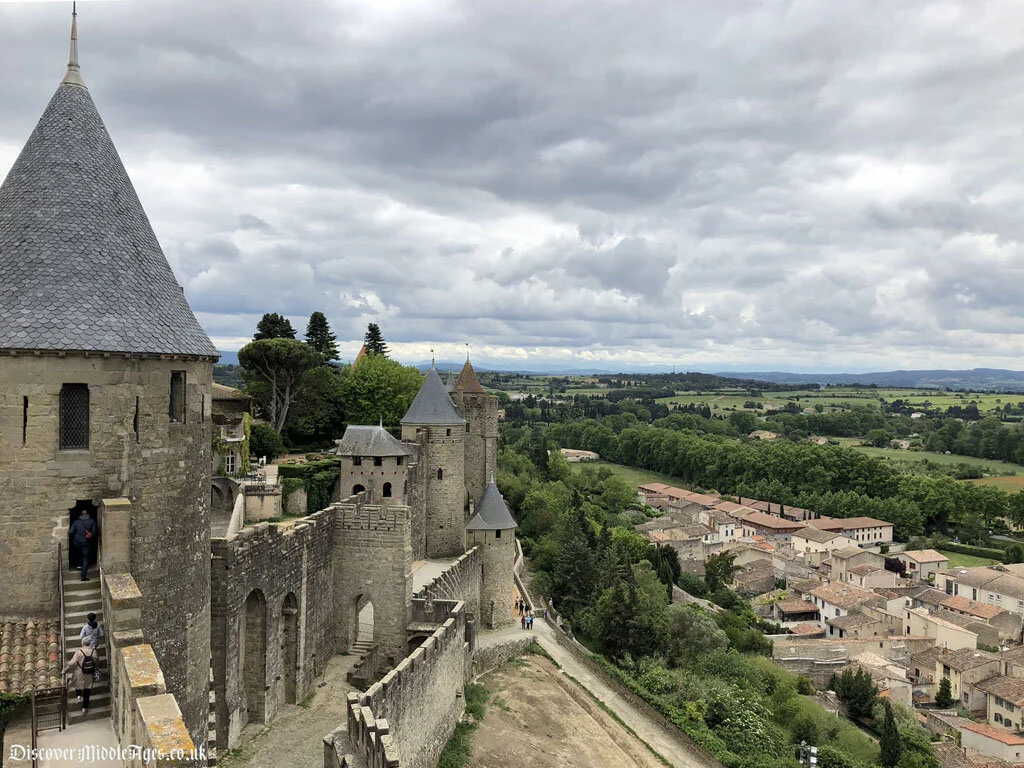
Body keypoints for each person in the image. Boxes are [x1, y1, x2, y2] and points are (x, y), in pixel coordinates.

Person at [64, 638, 96, 715]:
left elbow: (72, 662)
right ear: (89, 643)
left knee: (78, 684)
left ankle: (78, 696)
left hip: (80, 672)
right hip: (89, 673)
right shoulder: (93, 651)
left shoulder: (78, 652)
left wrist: (65, 669)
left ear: (82, 643)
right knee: (87, 690)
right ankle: (84, 708)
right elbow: (96, 661)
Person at [69, 510, 97, 581]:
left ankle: (79, 565)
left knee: (79, 554)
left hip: (77, 542)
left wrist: (76, 536)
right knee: (85, 558)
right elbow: (94, 532)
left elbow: (71, 532)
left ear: (81, 515)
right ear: (88, 514)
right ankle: (83, 576)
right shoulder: (91, 521)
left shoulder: (76, 522)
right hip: (86, 542)